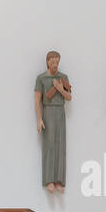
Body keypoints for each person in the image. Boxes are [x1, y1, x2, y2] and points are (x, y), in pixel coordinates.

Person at [34, 50, 72, 192]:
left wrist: (59, 89)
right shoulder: (41, 78)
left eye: (57, 61)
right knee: (49, 145)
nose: (55, 64)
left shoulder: (63, 77)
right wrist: (39, 119)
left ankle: (59, 179)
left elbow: (68, 97)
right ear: (48, 62)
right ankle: (49, 179)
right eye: (52, 61)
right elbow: (37, 100)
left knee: (60, 145)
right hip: (48, 111)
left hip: (60, 111)